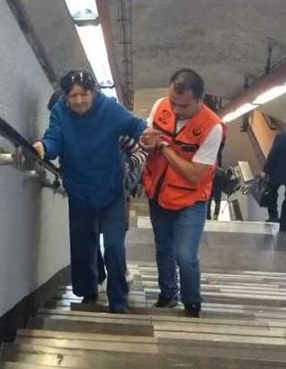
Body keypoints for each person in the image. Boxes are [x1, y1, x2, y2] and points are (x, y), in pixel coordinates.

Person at [34, 71, 145, 313]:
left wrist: (146, 134)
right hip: (80, 190)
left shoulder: (109, 108)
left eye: (83, 94)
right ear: (66, 96)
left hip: (111, 188)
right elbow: (54, 139)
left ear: (93, 92)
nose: (79, 100)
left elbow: (135, 126)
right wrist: (44, 147)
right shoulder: (60, 113)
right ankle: (89, 291)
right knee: (83, 247)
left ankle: (119, 301)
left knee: (114, 246)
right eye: (72, 95)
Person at [139, 69, 225, 318]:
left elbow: (195, 174)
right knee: (163, 247)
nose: (175, 110)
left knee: (185, 255)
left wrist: (164, 146)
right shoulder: (161, 106)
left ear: (200, 100)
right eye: (173, 102)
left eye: (183, 105)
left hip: (190, 199)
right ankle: (167, 295)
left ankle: (192, 302)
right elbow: (145, 140)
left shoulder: (213, 128)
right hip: (158, 192)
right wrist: (146, 140)